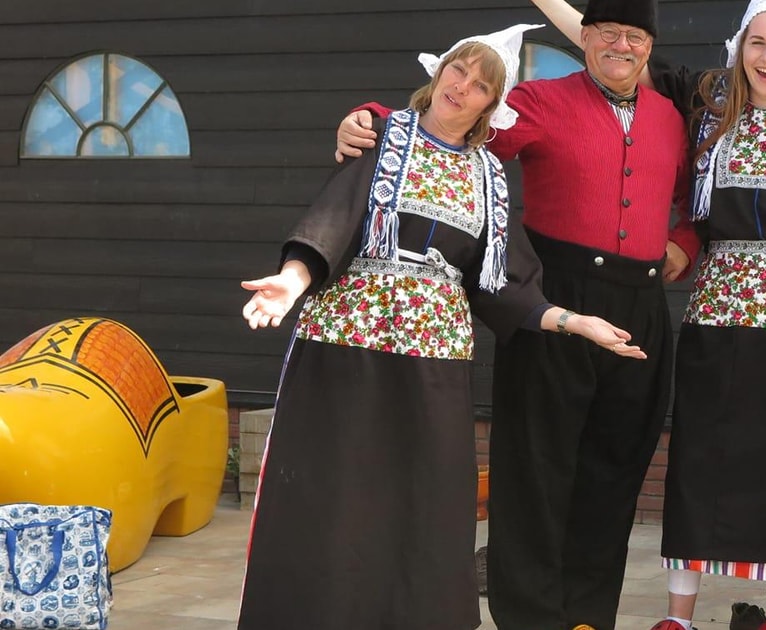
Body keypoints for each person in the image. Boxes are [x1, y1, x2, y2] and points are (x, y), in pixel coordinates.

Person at [236, 24, 650, 630]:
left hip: (434, 355)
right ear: (438, 73)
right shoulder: (380, 138)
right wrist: (292, 280)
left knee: (424, 499)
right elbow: (335, 220)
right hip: (348, 344)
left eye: (481, 85)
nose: (463, 87)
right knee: (334, 491)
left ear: (491, 106)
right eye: (459, 70)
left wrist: (575, 321)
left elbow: (504, 285)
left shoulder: (490, 178)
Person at [334, 2, 696, 628]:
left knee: (613, 472)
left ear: (648, 46)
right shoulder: (540, 99)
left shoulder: (670, 116)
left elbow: (696, 192)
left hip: (641, 307)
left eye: (635, 36)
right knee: (535, 468)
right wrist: (371, 119)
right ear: (585, 36)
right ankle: (531, 618)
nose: (621, 46)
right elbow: (454, 127)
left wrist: (683, 242)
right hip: (556, 297)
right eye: (608, 32)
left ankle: (587, 617)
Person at [529, 0, 766, 628]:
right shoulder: (706, 103)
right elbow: (614, 45)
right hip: (720, 310)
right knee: (702, 457)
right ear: (739, 46)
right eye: (757, 42)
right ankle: (679, 615)